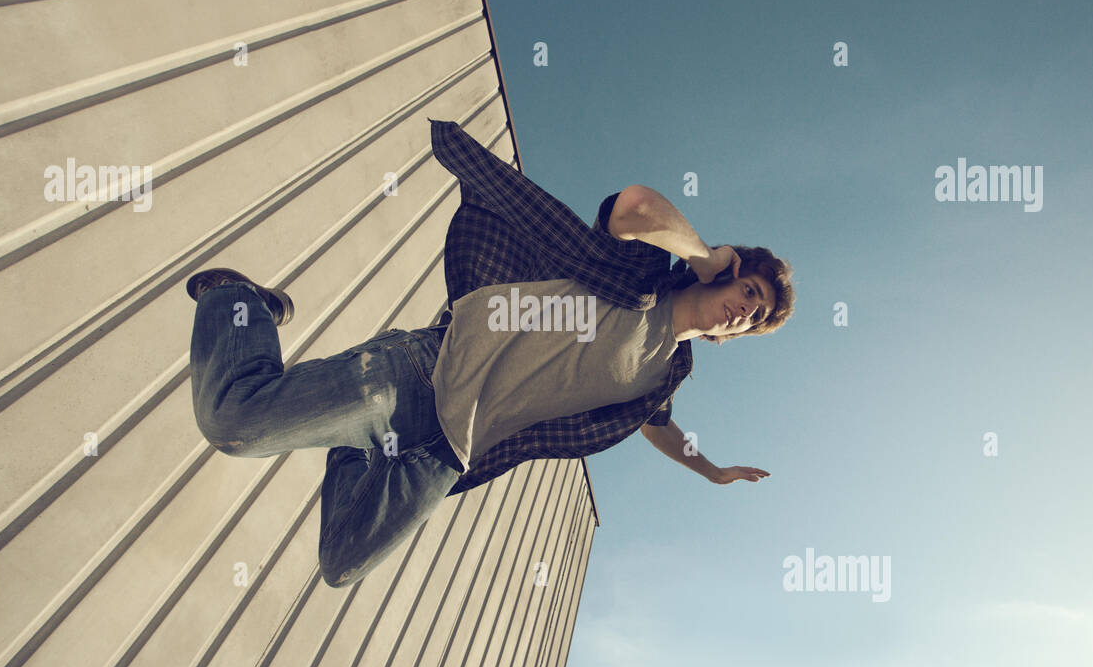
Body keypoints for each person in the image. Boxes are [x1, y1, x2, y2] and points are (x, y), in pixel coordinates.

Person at [186, 119, 795, 588]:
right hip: (429, 372)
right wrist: (700, 255)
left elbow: (658, 429)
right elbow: (634, 205)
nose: (747, 310)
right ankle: (240, 302)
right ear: (729, 271)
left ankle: (353, 440)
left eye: (757, 316)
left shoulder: (665, 376)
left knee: (342, 561)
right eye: (749, 290)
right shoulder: (644, 272)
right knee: (236, 421)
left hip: (447, 453)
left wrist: (713, 471)